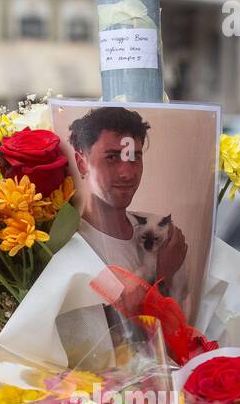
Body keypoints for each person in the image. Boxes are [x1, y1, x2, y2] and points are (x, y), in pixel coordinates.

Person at [67, 106, 187, 297]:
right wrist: (161, 272)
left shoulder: (158, 231)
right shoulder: (71, 245)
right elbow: (105, 323)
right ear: (82, 164)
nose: (127, 173)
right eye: (112, 157)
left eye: (134, 157)